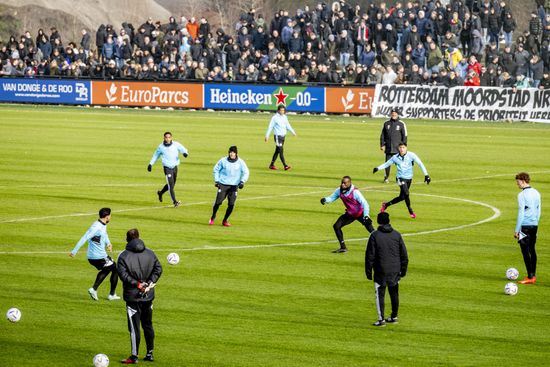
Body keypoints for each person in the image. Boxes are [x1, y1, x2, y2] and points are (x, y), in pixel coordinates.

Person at [117, 228, 163, 364]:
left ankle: (134, 356)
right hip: (148, 295)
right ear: (138, 237)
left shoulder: (123, 256)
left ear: (127, 239)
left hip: (133, 297)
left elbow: (123, 275)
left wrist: (138, 285)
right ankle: (150, 353)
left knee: (134, 328)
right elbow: (158, 269)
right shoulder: (150, 253)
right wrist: (148, 283)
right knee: (148, 324)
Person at [365, 212, 408, 327]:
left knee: (380, 294)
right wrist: (403, 270)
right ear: (389, 221)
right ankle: (394, 316)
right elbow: (404, 255)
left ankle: (381, 319)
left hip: (381, 269)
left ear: (378, 221)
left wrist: (368, 272)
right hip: (395, 269)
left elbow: (370, 256)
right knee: (394, 293)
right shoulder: (397, 235)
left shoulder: (374, 235)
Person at [69, 207, 120, 301]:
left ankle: (100, 291)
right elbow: (84, 238)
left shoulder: (101, 224)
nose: (111, 217)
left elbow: (104, 234)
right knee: (115, 269)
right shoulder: (96, 227)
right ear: (107, 217)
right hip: (99, 256)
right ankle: (104, 292)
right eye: (110, 215)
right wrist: (74, 251)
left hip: (94, 256)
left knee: (110, 268)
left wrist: (108, 243)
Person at [373, 142, 430, 218]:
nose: (402, 149)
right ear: (398, 148)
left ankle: (386, 205)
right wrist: (378, 168)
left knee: (402, 197)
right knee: (406, 193)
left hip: (409, 178)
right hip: (400, 178)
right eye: (400, 147)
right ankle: (410, 211)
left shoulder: (411, 155)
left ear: (406, 148)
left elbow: (420, 163)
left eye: (403, 147)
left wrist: (426, 175)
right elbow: (387, 164)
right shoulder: (395, 157)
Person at [320, 176, 375, 253]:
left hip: (361, 213)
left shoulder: (355, 192)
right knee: (336, 226)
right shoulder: (339, 190)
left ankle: (382, 245)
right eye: (342, 182)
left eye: (345, 183)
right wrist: (325, 200)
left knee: (372, 231)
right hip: (350, 214)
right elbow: (332, 198)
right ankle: (343, 247)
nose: (343, 184)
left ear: (349, 183)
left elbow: (365, 203)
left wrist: (366, 216)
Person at [209, 146, 250, 226]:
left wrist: (242, 181)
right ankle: (213, 216)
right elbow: (216, 170)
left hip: (234, 186)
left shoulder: (240, 162)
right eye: (230, 152)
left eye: (233, 152)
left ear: (236, 153)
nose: (231, 154)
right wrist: (217, 180)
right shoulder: (223, 161)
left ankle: (225, 220)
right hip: (223, 184)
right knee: (218, 203)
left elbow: (246, 172)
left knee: (231, 204)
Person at [148, 132, 189, 208]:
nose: (167, 139)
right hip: (167, 168)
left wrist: (185, 153)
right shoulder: (161, 147)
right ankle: (175, 202)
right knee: (171, 185)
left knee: (172, 185)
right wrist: (150, 164)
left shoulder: (176, 144)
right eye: (166, 137)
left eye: (169, 137)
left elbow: (182, 149)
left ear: (171, 138)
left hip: (175, 167)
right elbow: (155, 156)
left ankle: (160, 193)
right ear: (164, 138)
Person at [514, 172, 541, 284]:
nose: (517, 184)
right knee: (532, 250)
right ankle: (532, 275)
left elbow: (521, 213)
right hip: (534, 225)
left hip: (524, 226)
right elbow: (539, 210)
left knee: (525, 251)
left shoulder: (521, 195)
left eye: (518, 182)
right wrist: (536, 223)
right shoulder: (536, 192)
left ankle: (530, 277)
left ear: (523, 180)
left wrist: (517, 230)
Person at [265, 105, 297, 171]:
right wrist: (267, 135)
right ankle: (285, 166)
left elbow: (288, 125)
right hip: (277, 136)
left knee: (277, 151)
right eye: (281, 110)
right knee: (281, 150)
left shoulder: (285, 117)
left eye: (283, 110)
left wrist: (293, 132)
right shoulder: (274, 118)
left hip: (283, 136)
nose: (282, 111)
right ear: (278, 110)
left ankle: (271, 165)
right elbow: (270, 127)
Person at [380, 109, 408, 183]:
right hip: (389, 148)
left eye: (395, 113)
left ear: (398, 114)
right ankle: (386, 178)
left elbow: (404, 136)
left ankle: (399, 178)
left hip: (398, 149)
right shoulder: (386, 123)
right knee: (387, 164)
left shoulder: (401, 124)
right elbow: (382, 135)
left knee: (399, 165)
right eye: (392, 113)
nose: (394, 114)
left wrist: (404, 147)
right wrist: (382, 144)